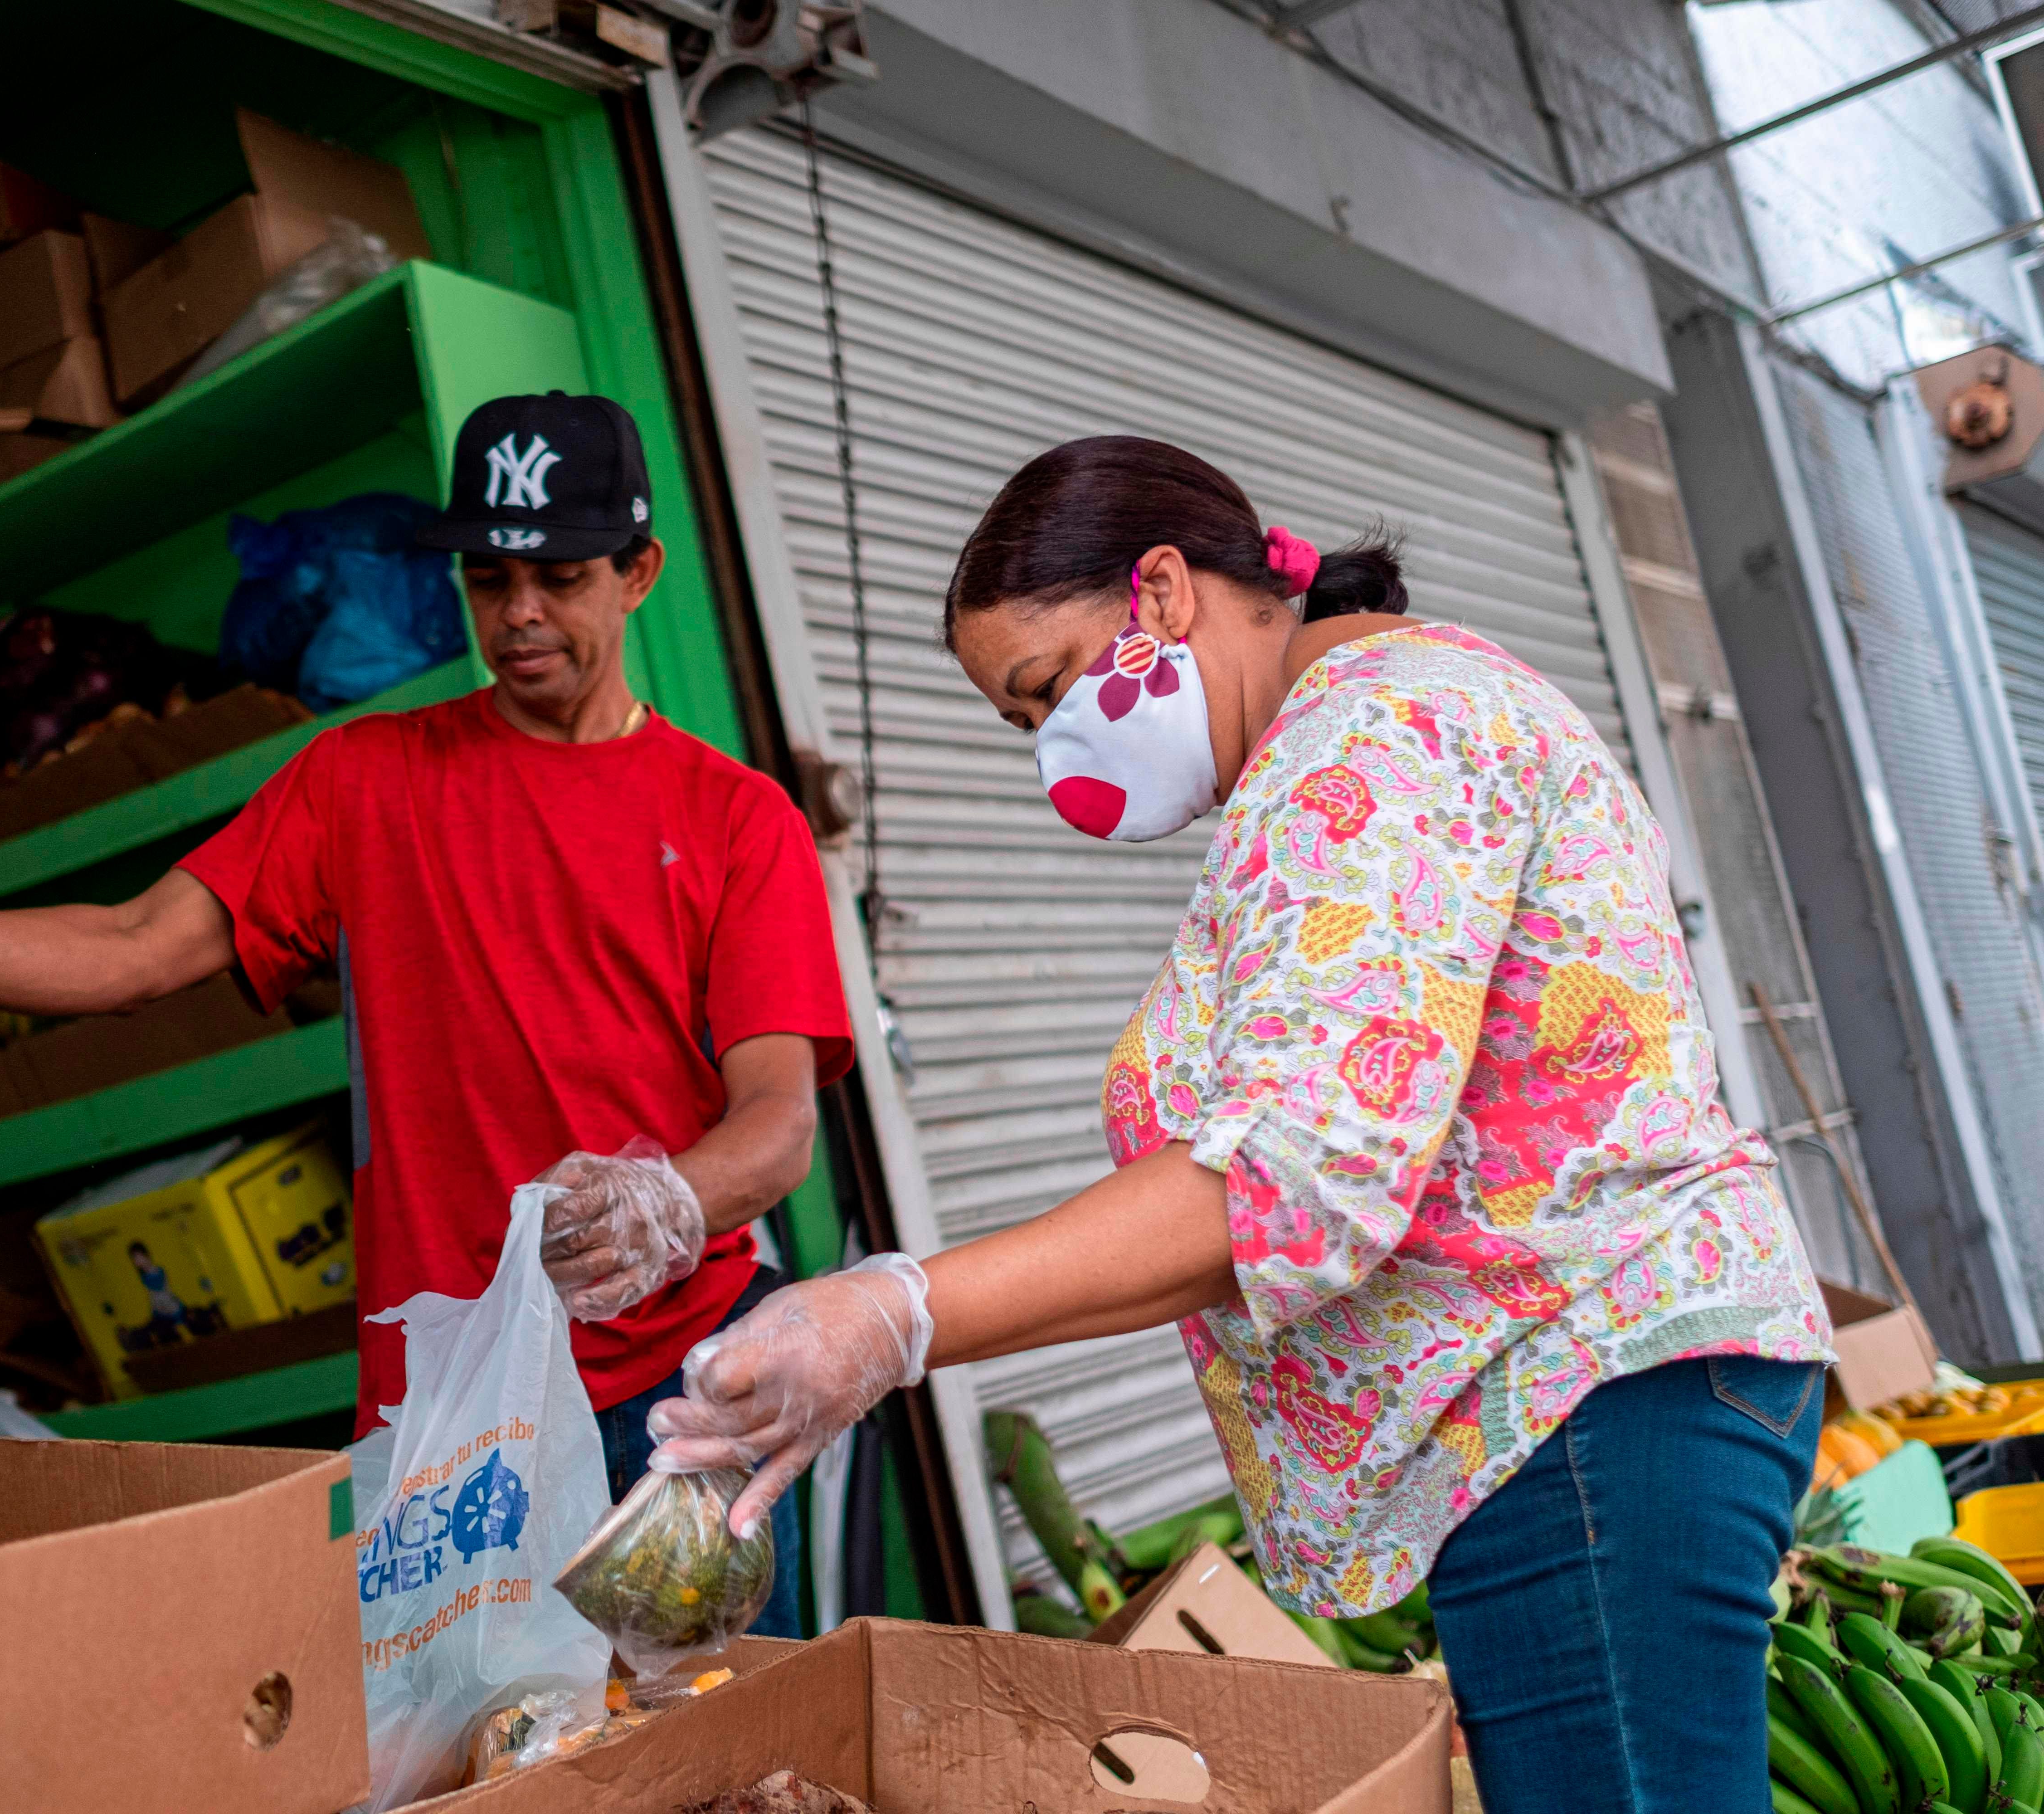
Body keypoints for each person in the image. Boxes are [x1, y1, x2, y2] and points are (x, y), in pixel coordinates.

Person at [644, 437, 1833, 1809]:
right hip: (1566, 1414)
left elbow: (1290, 1188)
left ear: (1159, 593)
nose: (1057, 759)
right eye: (1026, 728)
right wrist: (896, 1342)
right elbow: (1241, 1227)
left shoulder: (1372, 743)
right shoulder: (1363, 736)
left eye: (1049, 692)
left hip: (1574, 1409)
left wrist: (894, 1309)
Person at [0, 392, 853, 1637]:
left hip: (672, 1398)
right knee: (486, 1760)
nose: (520, 615)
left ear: (637, 573)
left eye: (561, 577)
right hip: (443, 1421)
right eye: (488, 579)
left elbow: (778, 1126)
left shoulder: (737, 819)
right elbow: (133, 945)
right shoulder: (364, 781)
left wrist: (669, 1201)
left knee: (729, 1744)